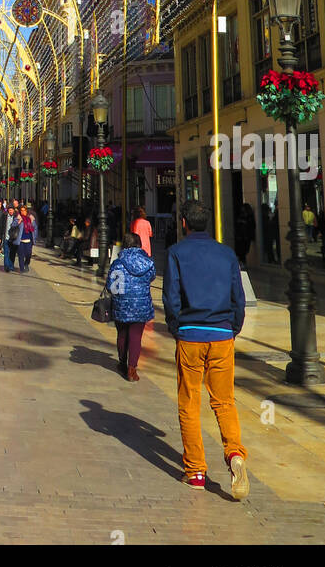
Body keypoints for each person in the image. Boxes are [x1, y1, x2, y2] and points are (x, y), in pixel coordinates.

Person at [162, 199, 248, 498]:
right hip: (222, 333)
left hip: (190, 334)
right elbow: (238, 297)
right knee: (224, 401)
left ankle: (196, 470)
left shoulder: (176, 253)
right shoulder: (226, 254)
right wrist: (232, 327)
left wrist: (176, 327)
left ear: (184, 222)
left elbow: (171, 298)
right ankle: (234, 454)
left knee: (189, 401)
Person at [107, 231, 155, 380]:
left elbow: (111, 286)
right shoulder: (148, 263)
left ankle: (122, 362)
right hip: (141, 305)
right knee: (136, 336)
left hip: (121, 304)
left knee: (122, 335)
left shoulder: (117, 263)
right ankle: (132, 368)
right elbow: (152, 277)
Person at [16, 205, 37, 273]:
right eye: (21, 210)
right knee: (21, 255)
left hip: (29, 239)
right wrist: (18, 222)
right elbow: (13, 225)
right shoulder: (18, 218)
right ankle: (22, 268)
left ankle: (26, 263)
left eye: (24, 210)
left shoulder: (31, 218)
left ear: (26, 211)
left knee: (28, 254)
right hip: (20, 240)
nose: (23, 212)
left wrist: (35, 237)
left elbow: (35, 229)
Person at [234, 203, 255, 267]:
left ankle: (242, 263)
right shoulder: (242, 216)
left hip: (245, 236)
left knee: (244, 250)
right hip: (241, 236)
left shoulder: (249, 217)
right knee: (241, 251)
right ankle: (242, 263)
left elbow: (252, 226)